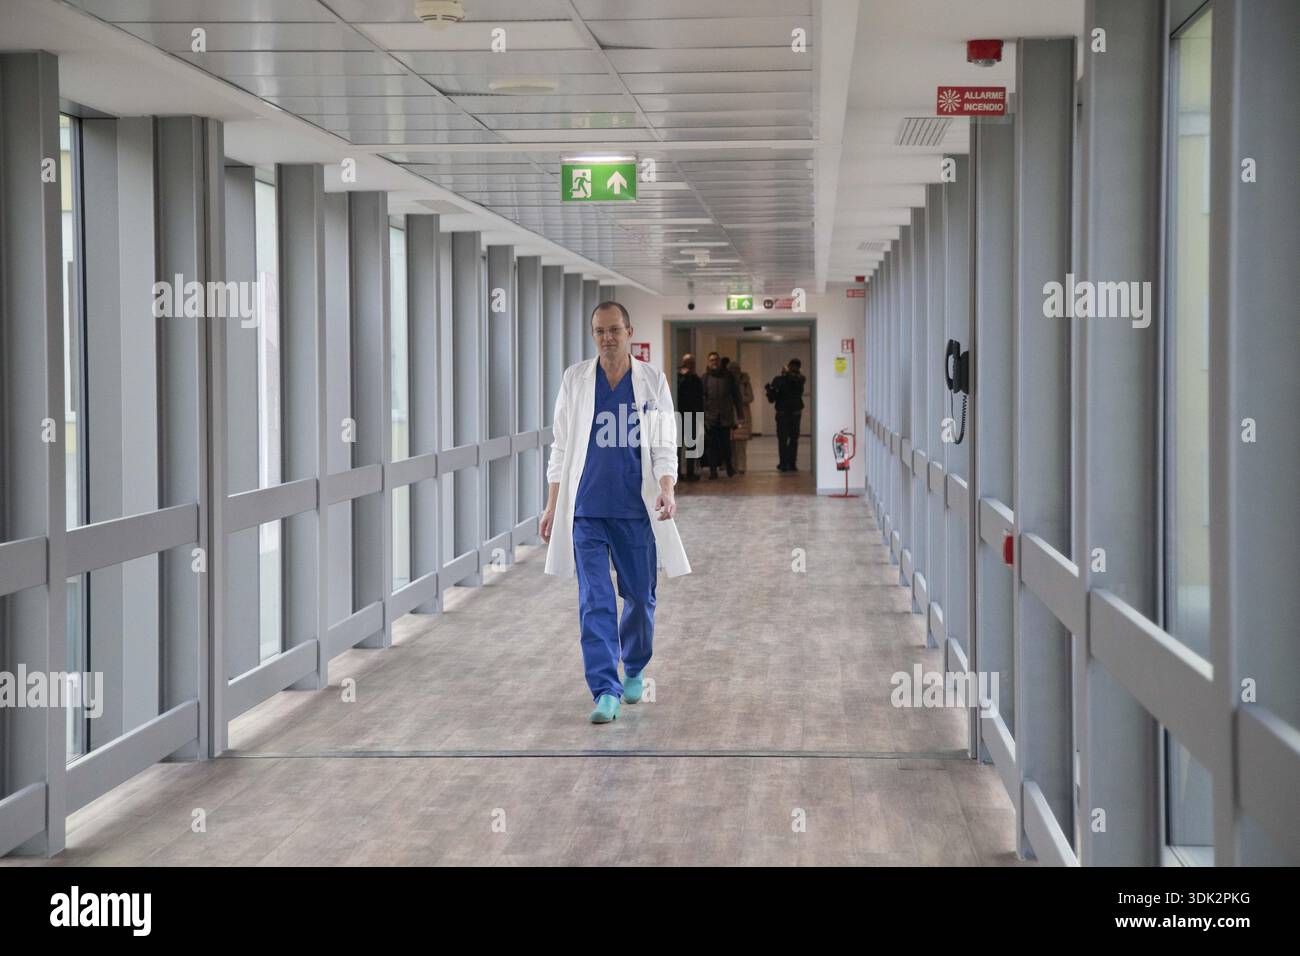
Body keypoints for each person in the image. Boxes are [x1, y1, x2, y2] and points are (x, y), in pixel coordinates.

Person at [541, 302, 691, 724]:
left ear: (629, 331)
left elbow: (664, 442)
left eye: (613, 330)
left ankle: (636, 666)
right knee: (595, 601)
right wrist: (553, 505)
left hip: (634, 509)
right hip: (586, 509)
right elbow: (560, 447)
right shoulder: (576, 379)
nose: (606, 337)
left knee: (640, 599)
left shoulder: (651, 379)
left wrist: (666, 489)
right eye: (599, 331)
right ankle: (604, 689)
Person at [701, 351, 743, 479]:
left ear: (719, 361)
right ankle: (713, 471)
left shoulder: (728, 376)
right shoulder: (705, 378)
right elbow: (702, 398)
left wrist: (740, 414)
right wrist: (702, 417)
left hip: (725, 416)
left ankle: (729, 468)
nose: (714, 362)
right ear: (709, 362)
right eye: (712, 360)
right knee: (712, 446)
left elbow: (736, 396)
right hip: (711, 417)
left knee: (726, 444)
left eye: (716, 360)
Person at [768, 358, 806, 472]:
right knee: (783, 439)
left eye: (795, 367)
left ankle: (791, 463)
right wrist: (769, 391)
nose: (792, 368)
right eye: (791, 366)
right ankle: (784, 463)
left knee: (793, 439)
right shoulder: (779, 379)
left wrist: (788, 374)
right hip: (782, 413)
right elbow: (772, 398)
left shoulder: (800, 378)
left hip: (794, 414)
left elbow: (796, 382)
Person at [676, 353, 704, 482]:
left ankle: (690, 472)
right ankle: (677, 473)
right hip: (679, 414)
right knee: (677, 446)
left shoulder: (696, 379)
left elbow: (700, 398)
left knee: (691, 446)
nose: (690, 365)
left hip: (692, 415)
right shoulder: (677, 376)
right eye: (688, 362)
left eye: (692, 363)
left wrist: (700, 416)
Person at [731, 362, 754, 474]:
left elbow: (750, 397)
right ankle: (733, 466)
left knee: (741, 445)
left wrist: (738, 398)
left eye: (736, 369)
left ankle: (741, 467)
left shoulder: (745, 383)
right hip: (730, 415)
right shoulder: (727, 382)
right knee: (732, 445)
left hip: (742, 415)